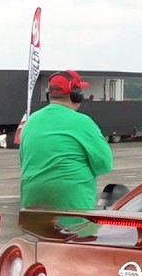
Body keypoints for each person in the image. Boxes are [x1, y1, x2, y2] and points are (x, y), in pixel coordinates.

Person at [19, 69, 113, 211]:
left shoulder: (31, 121)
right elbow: (104, 163)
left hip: (32, 201)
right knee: (79, 233)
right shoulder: (83, 122)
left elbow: (24, 160)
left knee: (37, 233)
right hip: (72, 202)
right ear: (77, 94)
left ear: (49, 94)